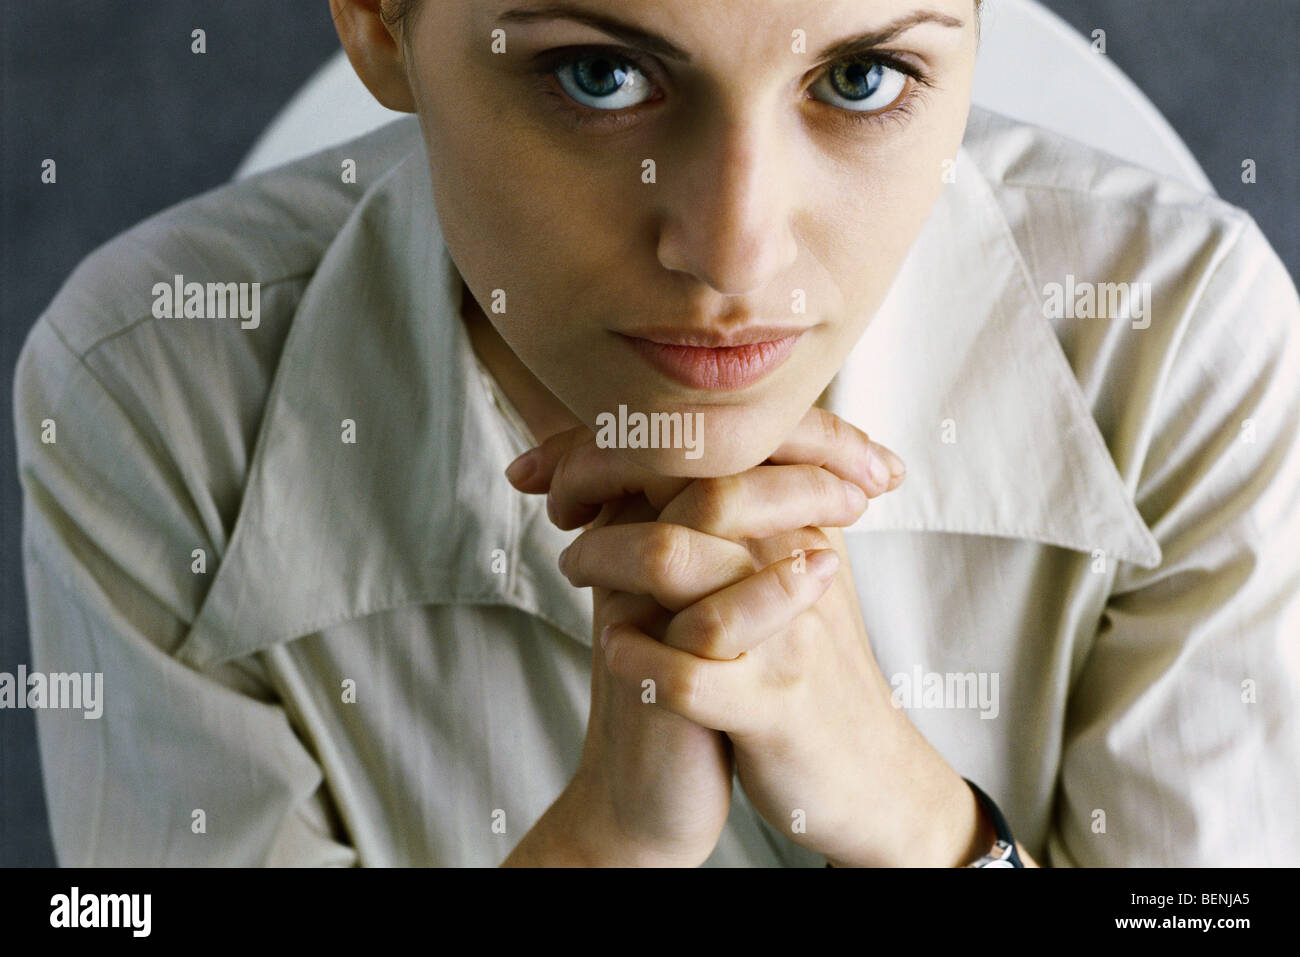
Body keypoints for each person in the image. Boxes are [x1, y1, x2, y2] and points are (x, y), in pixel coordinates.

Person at [13, 0, 1299, 867]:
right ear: (379, 20)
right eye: (600, 73)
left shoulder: (1181, 338)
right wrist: (606, 843)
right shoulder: (149, 393)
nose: (733, 253)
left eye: (861, 77)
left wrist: (920, 826)